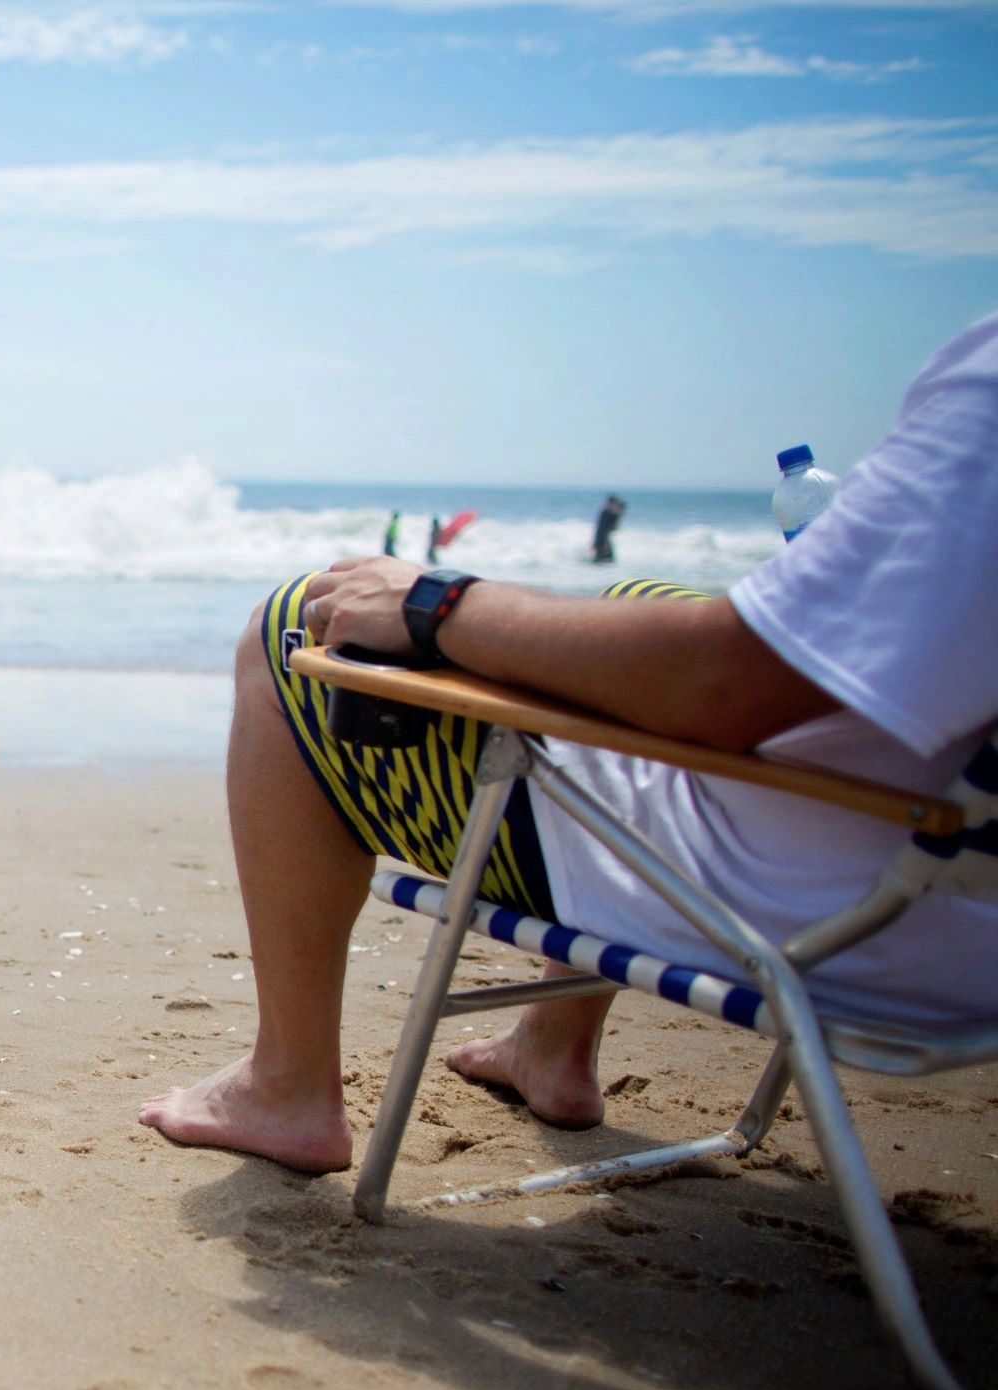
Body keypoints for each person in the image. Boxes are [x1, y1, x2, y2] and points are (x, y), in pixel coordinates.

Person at [138, 315, 998, 1172]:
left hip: (840, 910)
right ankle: (550, 1045)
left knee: (289, 630)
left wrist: (439, 603)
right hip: (958, 896)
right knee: (636, 595)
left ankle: (285, 1084)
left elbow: (721, 686)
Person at [592, 494, 625, 564]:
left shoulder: (608, 513)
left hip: (603, 539)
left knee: (604, 561)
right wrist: (605, 544)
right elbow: (604, 530)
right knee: (603, 560)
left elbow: (611, 529)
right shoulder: (607, 513)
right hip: (603, 540)